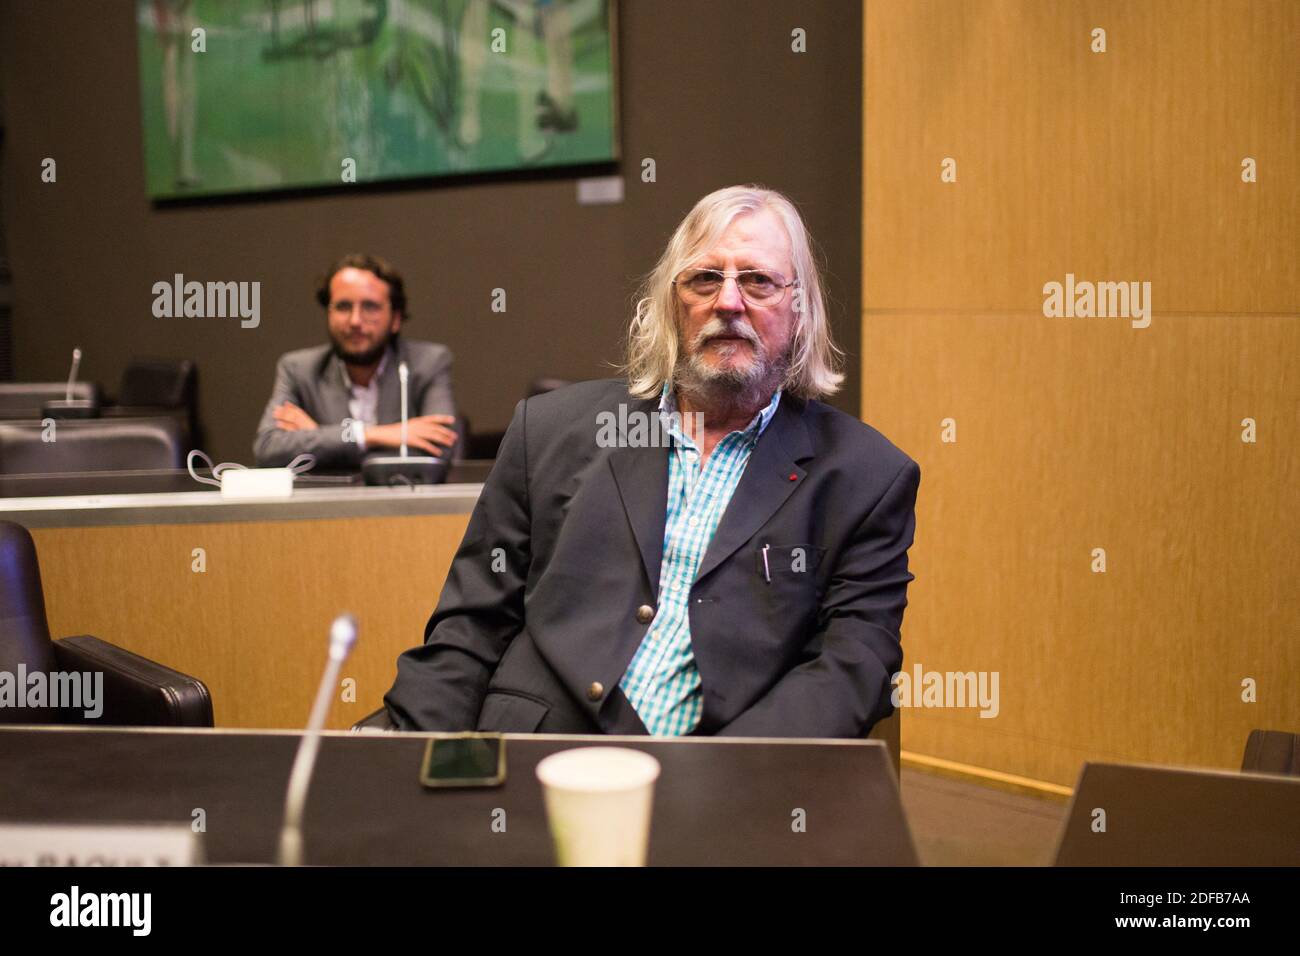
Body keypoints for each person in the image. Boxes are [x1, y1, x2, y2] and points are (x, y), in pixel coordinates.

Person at [384, 185, 920, 737]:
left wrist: (732, 775)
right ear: (672, 304)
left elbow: (852, 664)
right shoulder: (547, 432)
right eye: (704, 279)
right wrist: (399, 750)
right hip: (533, 763)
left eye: (758, 281)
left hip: (718, 787)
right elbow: (470, 626)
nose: (728, 302)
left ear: (801, 309)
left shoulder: (866, 477)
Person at [254, 254, 458, 469]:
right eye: (343, 306)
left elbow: (440, 451)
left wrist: (319, 438)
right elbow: (268, 449)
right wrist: (368, 435)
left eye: (370, 307)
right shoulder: (298, 369)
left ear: (396, 319)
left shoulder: (428, 363)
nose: (355, 321)